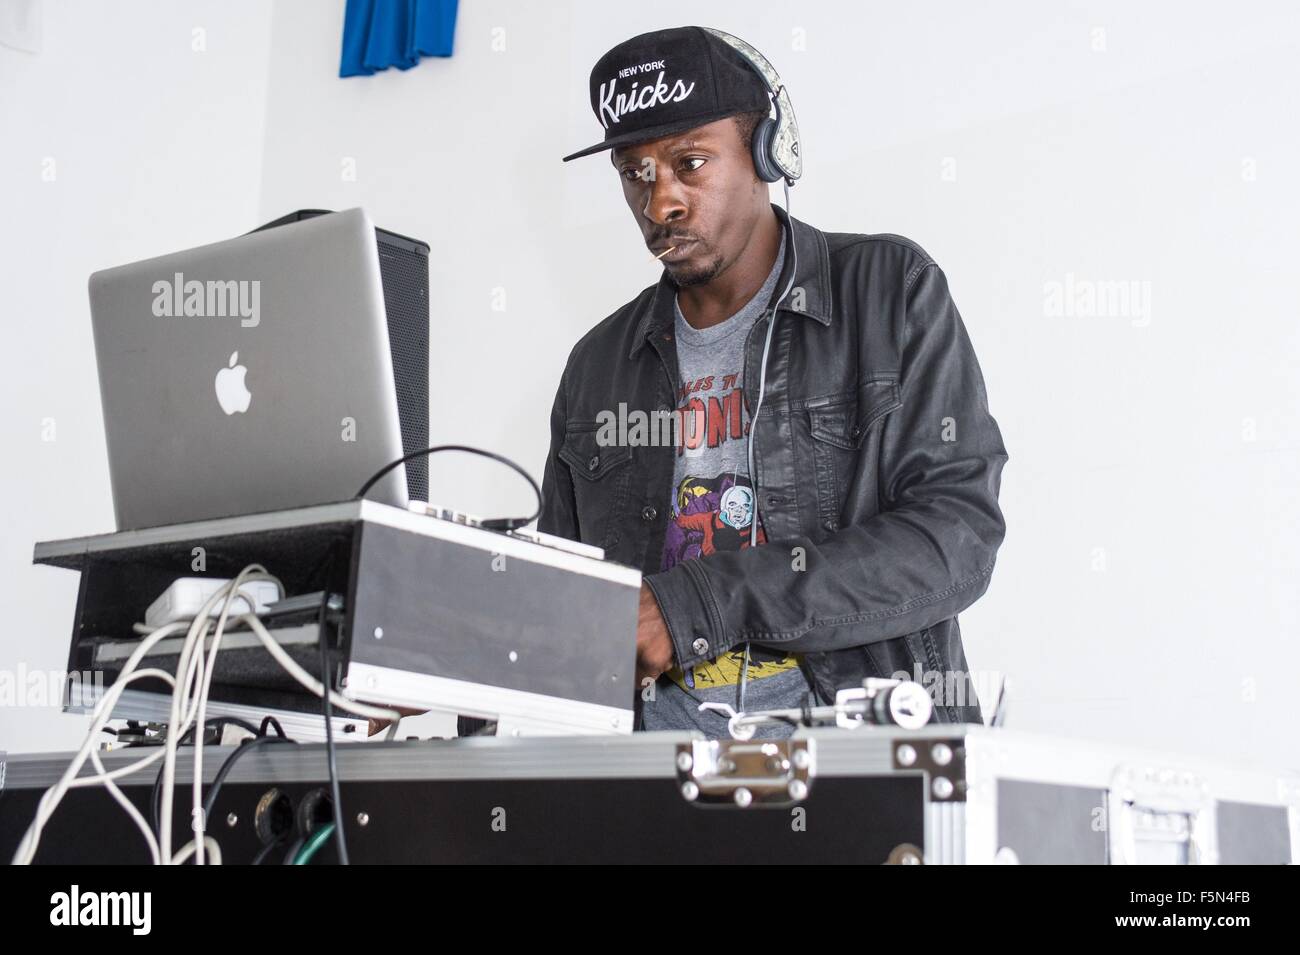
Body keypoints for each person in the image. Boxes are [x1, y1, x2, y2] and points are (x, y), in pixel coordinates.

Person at [544, 26, 1009, 737]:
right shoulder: (597, 364)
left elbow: (955, 540)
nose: (659, 202)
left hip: (855, 749)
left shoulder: (889, 292)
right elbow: (564, 593)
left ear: (768, 150)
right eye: (634, 173)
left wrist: (696, 602)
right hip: (651, 767)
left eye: (689, 162)